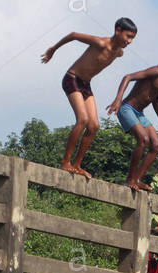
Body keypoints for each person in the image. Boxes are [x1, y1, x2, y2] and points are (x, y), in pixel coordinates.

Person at [41, 18, 138, 179]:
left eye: (132, 38)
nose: (129, 41)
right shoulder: (101, 43)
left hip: (86, 84)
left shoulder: (119, 52)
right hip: (72, 79)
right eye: (127, 36)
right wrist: (53, 49)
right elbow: (73, 35)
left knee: (94, 126)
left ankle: (77, 165)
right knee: (83, 120)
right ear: (117, 30)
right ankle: (65, 162)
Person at [107, 45, 158, 191]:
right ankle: (129, 180)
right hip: (127, 109)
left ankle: (137, 179)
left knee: (157, 144)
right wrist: (118, 100)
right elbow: (127, 77)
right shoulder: (157, 71)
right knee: (143, 139)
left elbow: (156, 97)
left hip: (140, 114)